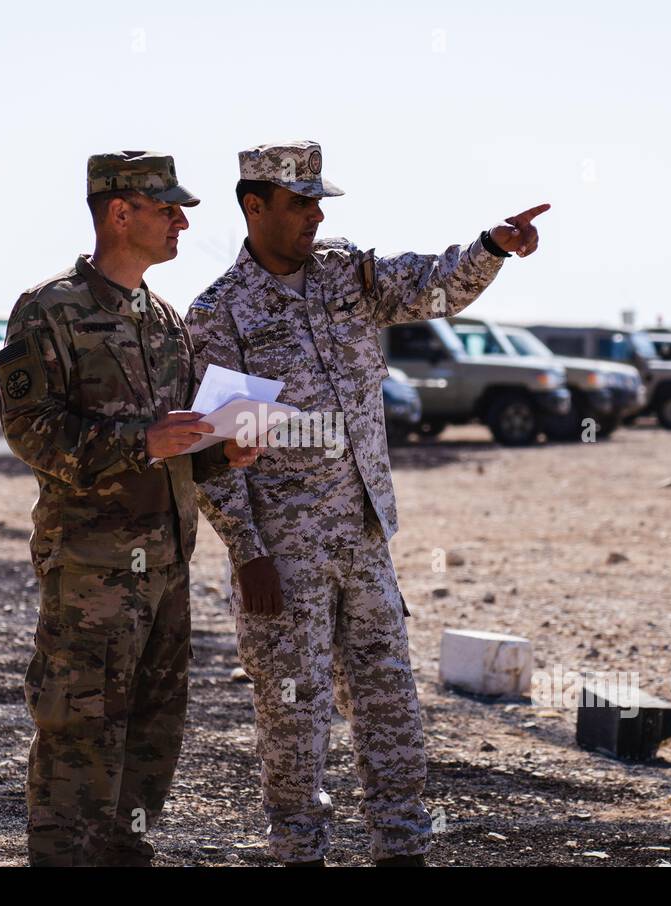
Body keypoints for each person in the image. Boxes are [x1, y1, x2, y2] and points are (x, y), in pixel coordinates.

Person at [187, 139, 549, 865]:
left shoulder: (346, 275)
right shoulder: (219, 314)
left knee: (389, 707)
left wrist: (492, 246)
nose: (315, 216)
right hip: (283, 559)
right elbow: (212, 453)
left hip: (362, 540)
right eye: (300, 203)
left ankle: (402, 847)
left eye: (320, 201)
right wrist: (248, 551)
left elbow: (434, 286)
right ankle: (299, 852)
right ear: (254, 206)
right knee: (295, 719)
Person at [0, 150, 258, 867]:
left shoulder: (166, 322)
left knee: (152, 740)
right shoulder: (49, 310)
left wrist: (218, 450)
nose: (181, 221)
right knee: (79, 738)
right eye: (166, 207)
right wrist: (138, 441)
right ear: (121, 213)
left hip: (169, 569)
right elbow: (30, 430)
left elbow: (173, 444)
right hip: (91, 572)